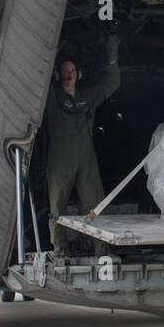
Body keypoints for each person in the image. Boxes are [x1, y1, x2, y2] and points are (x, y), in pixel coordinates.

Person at [43, 31, 120, 253]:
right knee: (57, 206)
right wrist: (49, 52)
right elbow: (40, 81)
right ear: (59, 74)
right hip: (60, 161)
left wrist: (112, 59)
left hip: (86, 159)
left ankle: (101, 250)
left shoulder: (87, 97)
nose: (69, 75)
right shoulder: (52, 98)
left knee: (95, 205)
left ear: (78, 74)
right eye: (65, 71)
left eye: (72, 71)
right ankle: (59, 249)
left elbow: (112, 83)